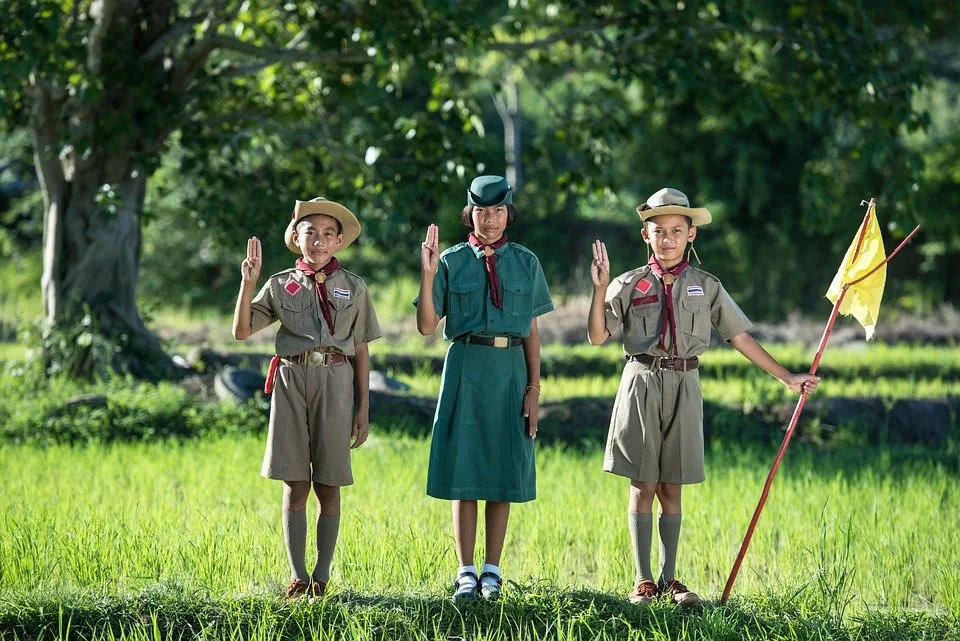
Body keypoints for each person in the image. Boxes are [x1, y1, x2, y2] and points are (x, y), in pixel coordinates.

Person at [587, 187, 820, 606]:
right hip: (641, 381)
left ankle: (669, 578)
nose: (668, 238)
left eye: (677, 230)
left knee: (672, 484)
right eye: (659, 230)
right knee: (643, 483)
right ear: (645, 235)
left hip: (686, 385)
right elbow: (597, 335)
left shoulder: (706, 286)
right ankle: (642, 581)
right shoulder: (628, 283)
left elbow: (740, 337)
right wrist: (598, 287)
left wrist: (786, 377)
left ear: (691, 234)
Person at [232, 197, 381, 598]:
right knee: (295, 484)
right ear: (296, 238)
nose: (318, 241)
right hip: (291, 380)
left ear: (338, 242)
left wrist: (363, 407)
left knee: (329, 485)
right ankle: (298, 576)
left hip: (336, 380)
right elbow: (242, 331)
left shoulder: (354, 286)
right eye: (310, 233)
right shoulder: (280, 284)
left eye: (327, 234)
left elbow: (362, 349)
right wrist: (248, 282)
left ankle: (322, 575)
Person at [416, 175, 554, 601]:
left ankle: (493, 571)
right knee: (465, 469)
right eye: (480, 211)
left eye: (497, 211)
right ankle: (466, 571)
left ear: (508, 213)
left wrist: (533, 386)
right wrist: (427, 272)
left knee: (501, 468)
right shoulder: (451, 261)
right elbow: (425, 325)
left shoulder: (526, 262)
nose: (489, 219)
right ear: (469, 214)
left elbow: (530, 329)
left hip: (511, 367)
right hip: (465, 365)